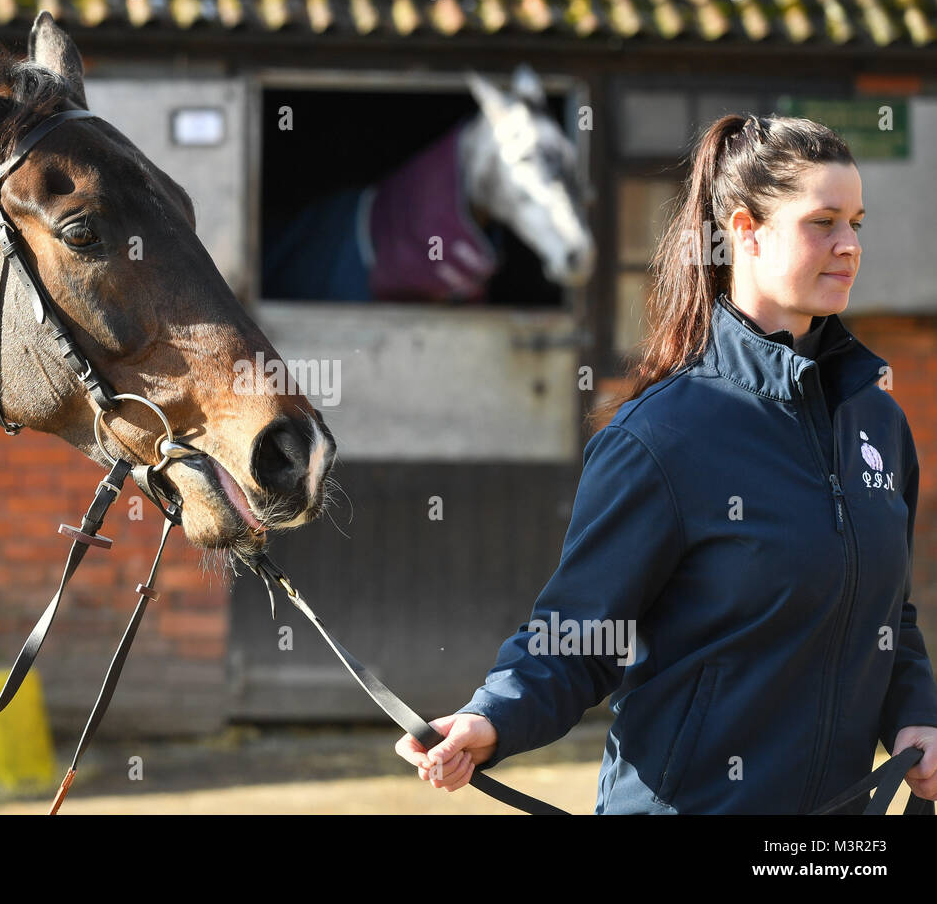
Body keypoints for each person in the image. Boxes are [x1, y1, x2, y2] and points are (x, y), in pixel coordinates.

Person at [395, 113, 937, 813]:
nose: (848, 246)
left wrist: (915, 715)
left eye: (856, 223)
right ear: (744, 232)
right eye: (822, 222)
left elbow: (891, 617)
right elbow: (579, 634)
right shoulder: (664, 434)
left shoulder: (878, 423)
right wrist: (491, 717)